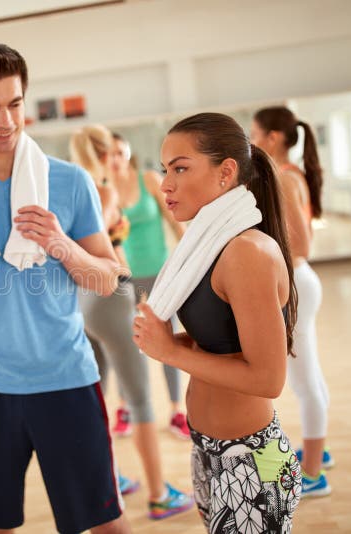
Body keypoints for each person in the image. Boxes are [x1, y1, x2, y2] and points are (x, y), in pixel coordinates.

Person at [0, 42, 130, 533]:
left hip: (65, 378)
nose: (5, 121)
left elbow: (107, 277)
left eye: (14, 104)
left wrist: (62, 244)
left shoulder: (70, 182)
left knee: (104, 525)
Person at [133, 112, 302, 532]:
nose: (165, 184)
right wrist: (171, 342)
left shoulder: (246, 252)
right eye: (164, 169)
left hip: (250, 459)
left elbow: (268, 379)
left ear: (226, 172)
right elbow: (221, 343)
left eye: (180, 168)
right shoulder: (209, 247)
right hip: (209, 449)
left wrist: (171, 351)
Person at [69, 125, 194, 520]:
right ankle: (159, 495)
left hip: (82, 302)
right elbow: (106, 246)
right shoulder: (102, 192)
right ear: (106, 155)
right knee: (139, 398)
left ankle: (111, 479)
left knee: (96, 393)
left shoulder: (69, 189)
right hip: (111, 296)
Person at [251, 106, 332, 497]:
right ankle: (319, 452)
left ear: (272, 139)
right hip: (300, 280)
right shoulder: (289, 175)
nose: (251, 141)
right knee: (309, 378)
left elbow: (301, 243)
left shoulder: (283, 177)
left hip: (296, 281)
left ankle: (314, 473)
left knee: (303, 383)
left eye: (254, 134)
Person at [109, 133, 189, 440]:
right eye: (110, 154)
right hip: (123, 279)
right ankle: (125, 407)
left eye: (119, 151)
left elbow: (175, 223)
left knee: (168, 339)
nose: (115, 158)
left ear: (127, 151)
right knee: (124, 344)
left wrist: (188, 259)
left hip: (160, 274)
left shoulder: (149, 179)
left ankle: (175, 410)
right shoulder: (104, 191)